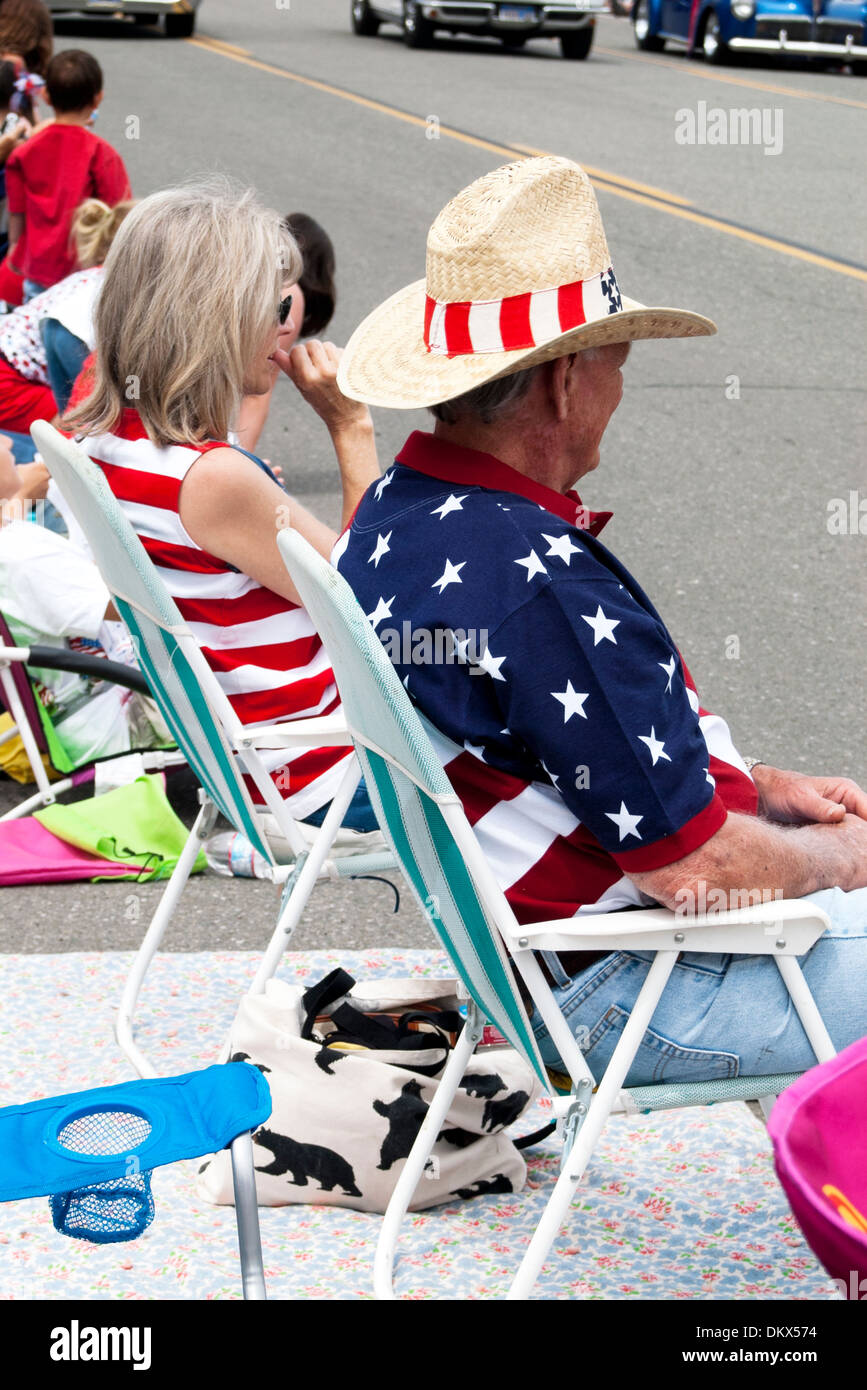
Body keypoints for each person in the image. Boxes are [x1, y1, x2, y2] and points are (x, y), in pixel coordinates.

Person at [334, 155, 867, 1086]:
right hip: (629, 991)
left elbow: (559, 758)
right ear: (565, 380)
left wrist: (759, 784)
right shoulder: (538, 584)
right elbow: (690, 873)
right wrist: (838, 856)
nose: (620, 391)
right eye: (616, 361)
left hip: (525, 971)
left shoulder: (391, 516)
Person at [63, 177, 382, 831]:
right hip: (322, 773)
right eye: (268, 307)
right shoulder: (210, 479)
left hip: (242, 762)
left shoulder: (103, 443)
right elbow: (371, 603)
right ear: (210, 317)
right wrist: (352, 430)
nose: (286, 325)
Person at [5, 48, 131, 301]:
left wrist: (14, 251)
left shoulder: (24, 152)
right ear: (98, 99)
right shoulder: (102, 154)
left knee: (37, 336)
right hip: (82, 275)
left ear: (47, 95)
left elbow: (16, 216)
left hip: (37, 270)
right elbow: (119, 217)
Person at [0, 197, 132, 432]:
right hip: (9, 380)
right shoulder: (106, 289)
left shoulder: (93, 275)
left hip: (12, 360)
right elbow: (64, 340)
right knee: (71, 430)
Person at [234, 211, 337, 456]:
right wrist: (242, 459)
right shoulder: (290, 291)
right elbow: (257, 396)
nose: (287, 325)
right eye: (281, 312)